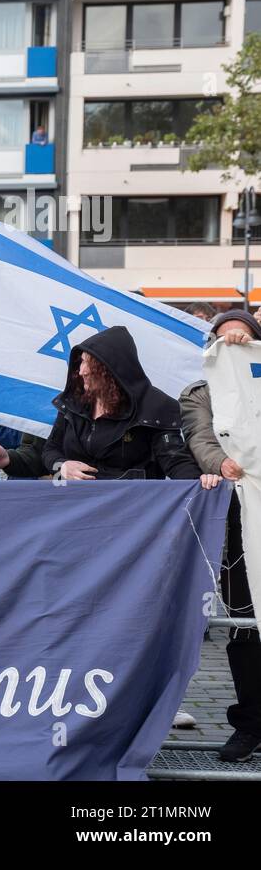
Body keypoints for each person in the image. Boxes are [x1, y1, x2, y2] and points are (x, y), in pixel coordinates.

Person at [180, 310, 261, 762]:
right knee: (246, 627)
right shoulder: (198, 393)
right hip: (238, 521)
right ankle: (250, 724)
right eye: (224, 341)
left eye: (244, 343)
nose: (231, 347)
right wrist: (220, 463)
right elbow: (201, 437)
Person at [42, 325, 215, 484]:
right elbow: (50, 450)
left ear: (111, 371)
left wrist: (200, 481)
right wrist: (62, 466)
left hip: (131, 508)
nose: (82, 371)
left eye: (90, 364)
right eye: (81, 362)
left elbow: (174, 459)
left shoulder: (154, 408)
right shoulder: (72, 404)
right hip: (74, 502)